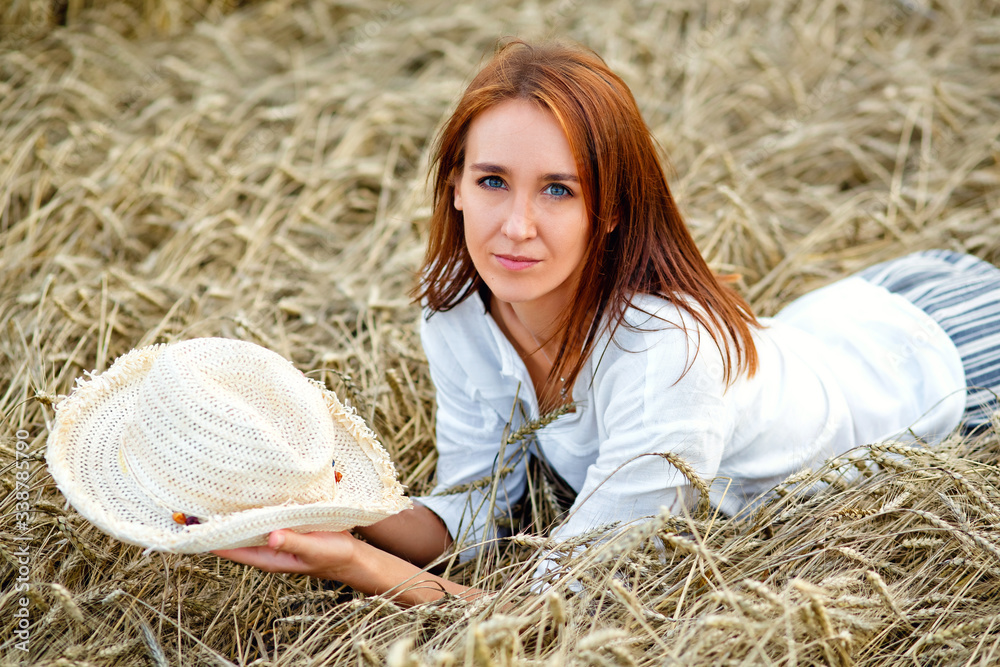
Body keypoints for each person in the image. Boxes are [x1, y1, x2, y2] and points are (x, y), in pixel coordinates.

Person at [214, 40, 1000, 606]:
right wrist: (327, 508)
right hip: (831, 322)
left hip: (939, 368)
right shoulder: (456, 307)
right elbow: (475, 507)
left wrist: (356, 564)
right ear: (454, 186)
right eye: (493, 180)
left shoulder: (669, 358)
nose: (515, 226)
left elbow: (548, 608)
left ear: (614, 208)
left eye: (559, 190)